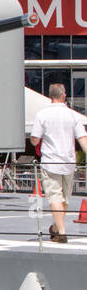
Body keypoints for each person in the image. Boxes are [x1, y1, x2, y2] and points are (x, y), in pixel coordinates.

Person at [30, 82, 87, 243]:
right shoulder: (73, 115)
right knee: (65, 199)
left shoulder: (42, 115)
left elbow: (34, 140)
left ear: (50, 97)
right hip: (68, 162)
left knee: (55, 197)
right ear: (64, 96)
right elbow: (82, 138)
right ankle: (58, 229)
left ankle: (59, 230)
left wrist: (37, 140)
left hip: (50, 161)